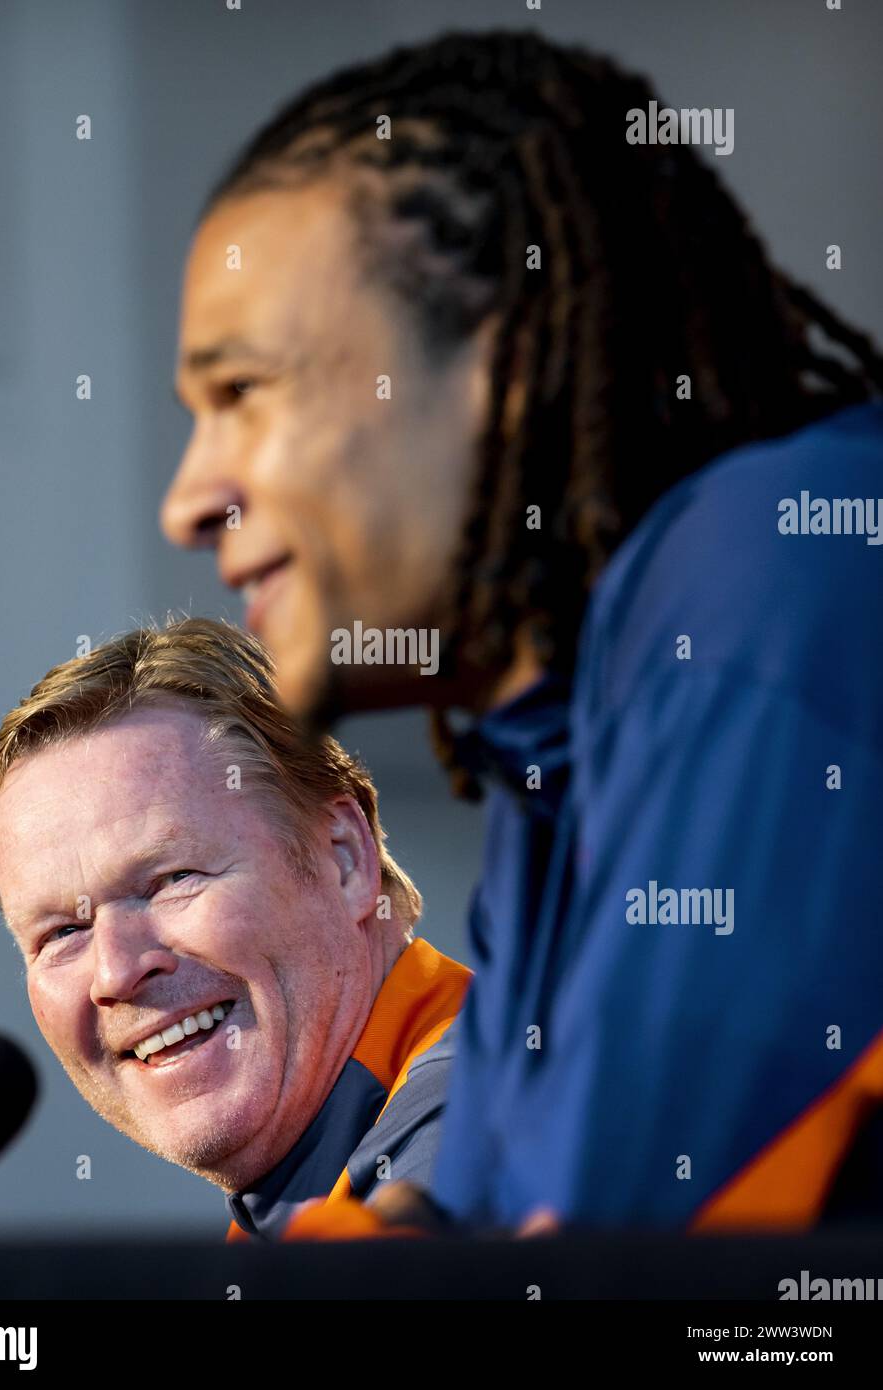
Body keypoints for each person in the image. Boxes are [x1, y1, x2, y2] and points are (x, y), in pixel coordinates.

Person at [161, 29, 883, 1230]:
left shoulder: (775, 565)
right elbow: (480, 1239)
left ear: (498, 360)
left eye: (240, 393)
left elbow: (617, 1261)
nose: (188, 500)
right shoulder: (552, 765)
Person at [0, 617, 469, 1240]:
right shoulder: (315, 1191)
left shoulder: (472, 1141)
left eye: (171, 880)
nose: (116, 971)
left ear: (344, 860)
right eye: (61, 933)